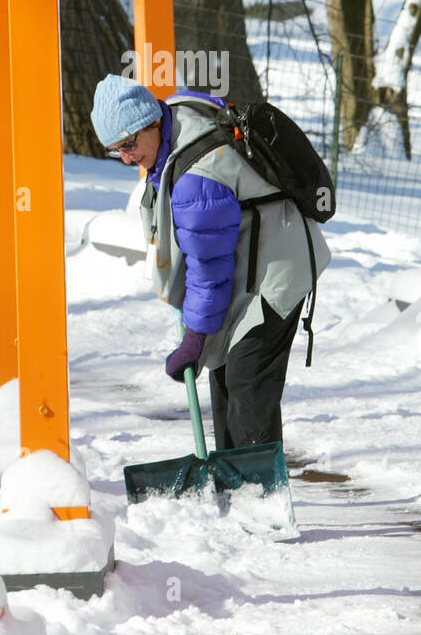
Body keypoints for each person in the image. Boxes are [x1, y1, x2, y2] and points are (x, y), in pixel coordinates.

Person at [90, 74, 331, 453]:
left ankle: (257, 484)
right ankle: (231, 472)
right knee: (223, 371)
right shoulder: (175, 122)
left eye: (129, 144)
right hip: (247, 261)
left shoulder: (196, 180)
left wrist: (195, 338)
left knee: (247, 381)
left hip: (279, 268)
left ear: (152, 122)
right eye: (115, 151)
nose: (126, 157)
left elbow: (208, 270)